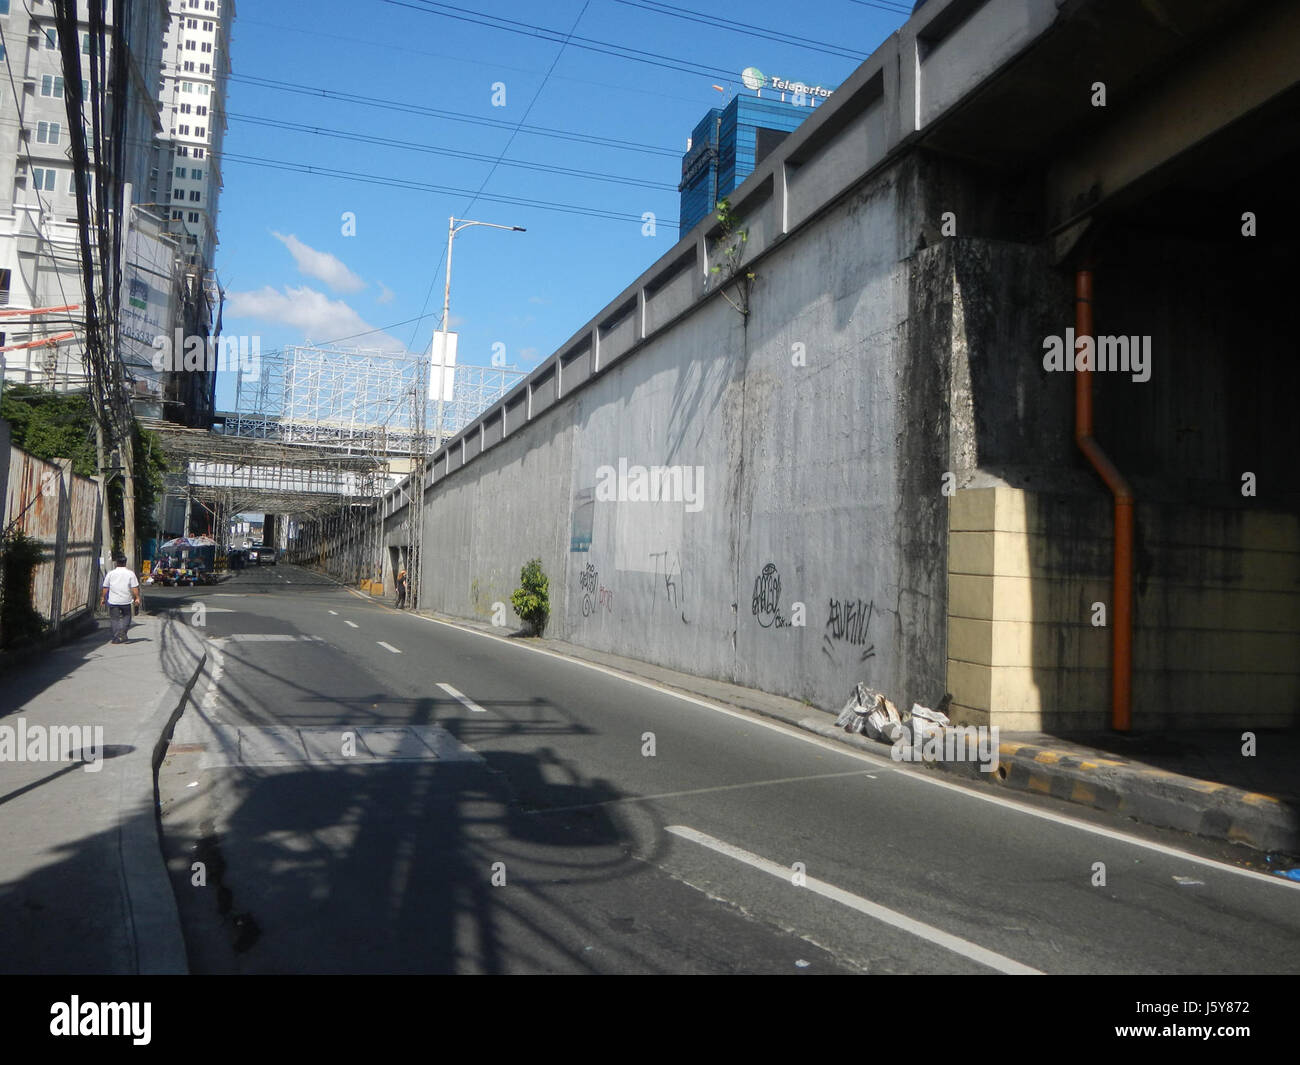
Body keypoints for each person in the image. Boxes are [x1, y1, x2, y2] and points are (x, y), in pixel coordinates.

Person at [101, 555, 141, 644]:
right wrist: (137, 598)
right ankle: (123, 632)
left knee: (114, 619)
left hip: (113, 601)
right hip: (126, 600)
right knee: (127, 616)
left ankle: (116, 637)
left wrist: (103, 597)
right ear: (125, 563)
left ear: (116, 563)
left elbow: (105, 587)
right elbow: (134, 587)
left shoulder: (111, 573)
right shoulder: (130, 573)